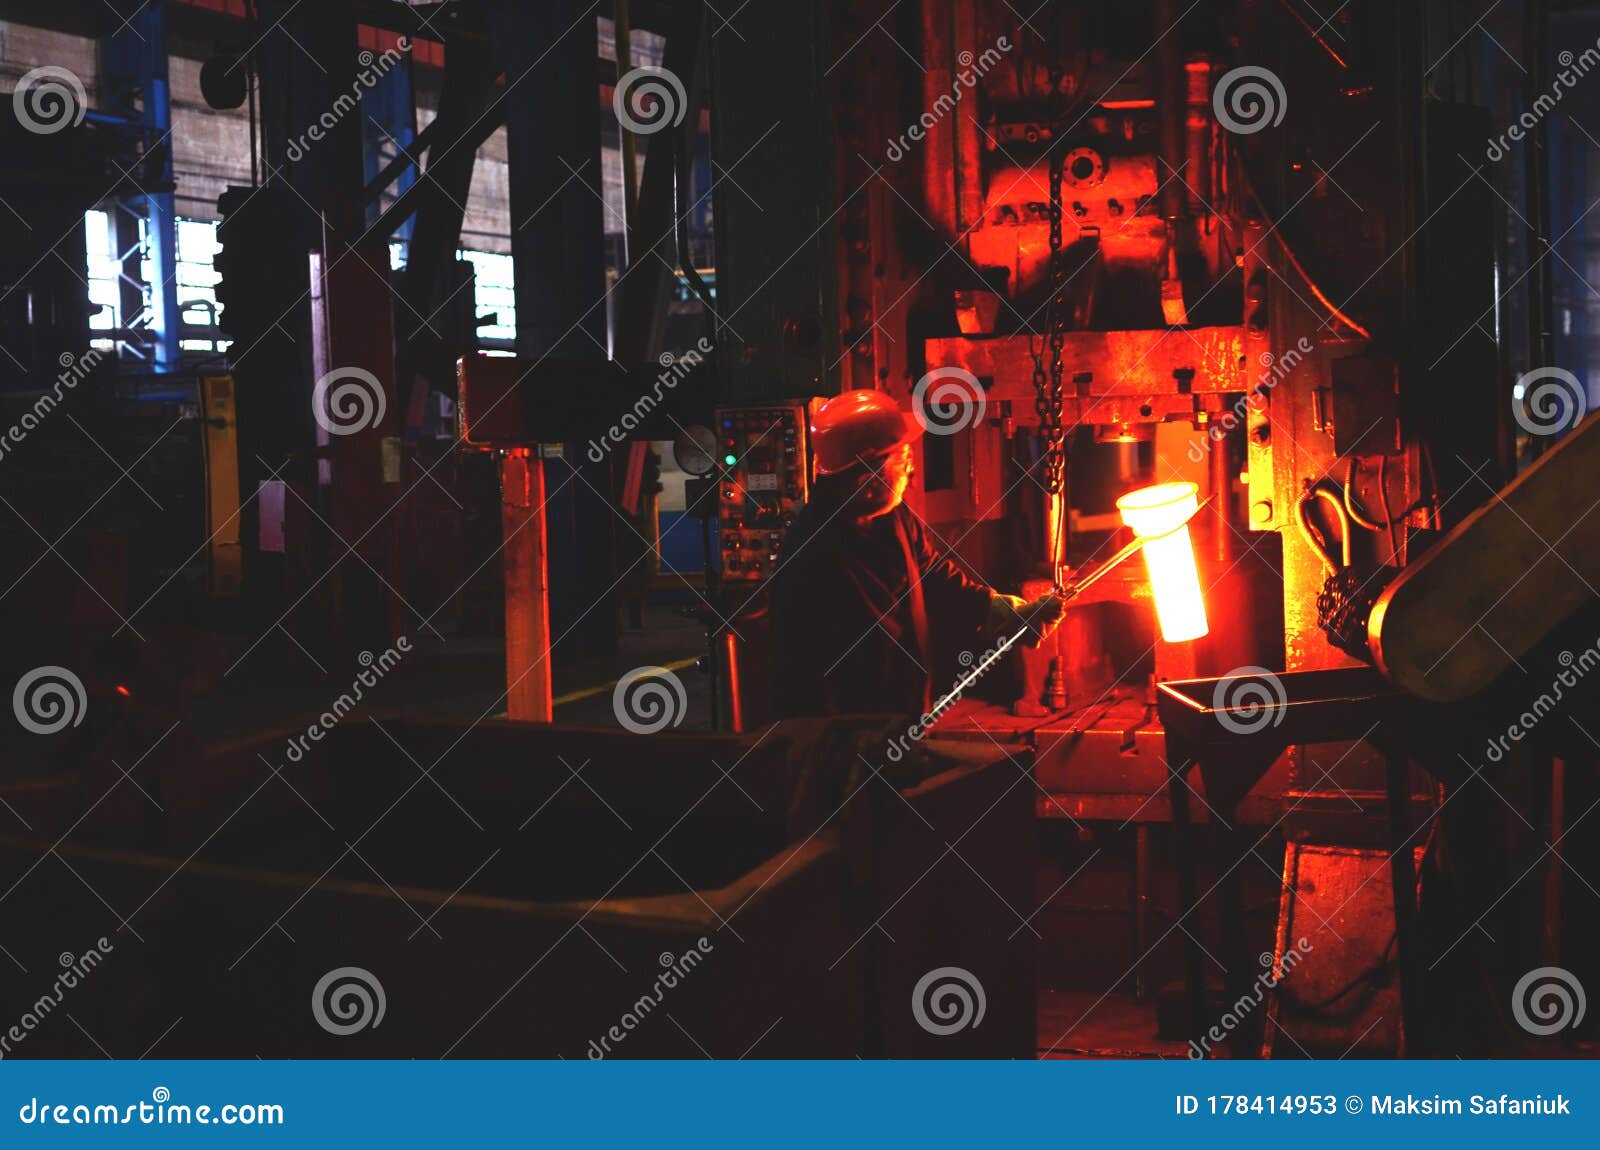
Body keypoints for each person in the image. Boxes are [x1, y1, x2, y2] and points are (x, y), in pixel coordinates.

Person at [769, 389, 1063, 718]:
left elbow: (931, 574)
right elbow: (811, 680)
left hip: (903, 715)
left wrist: (1002, 611)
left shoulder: (891, 515)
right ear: (868, 478)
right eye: (904, 461)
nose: (912, 474)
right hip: (846, 732)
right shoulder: (813, 554)